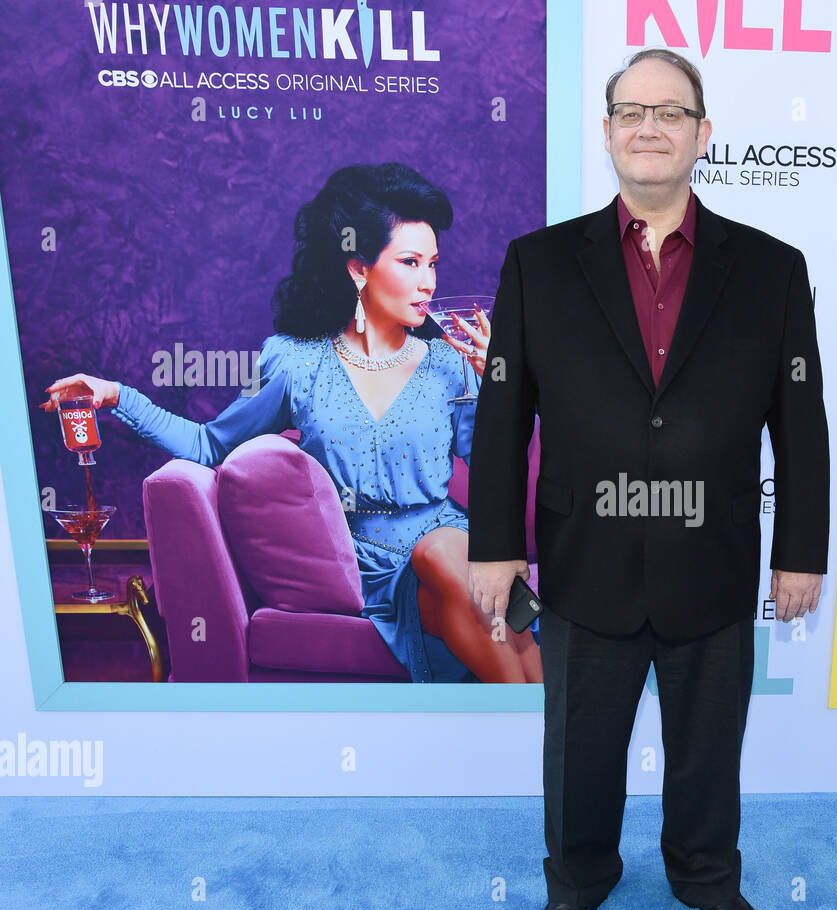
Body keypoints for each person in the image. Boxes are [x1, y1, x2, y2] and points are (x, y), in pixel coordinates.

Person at [467, 49, 830, 910]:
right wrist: (495, 544)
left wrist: (802, 551)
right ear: (607, 134)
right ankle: (574, 883)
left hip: (713, 559)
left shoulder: (772, 269)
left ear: (704, 135)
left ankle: (708, 876)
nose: (650, 128)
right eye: (633, 112)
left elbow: (802, 421)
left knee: (710, 744)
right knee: (578, 747)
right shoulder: (539, 264)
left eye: (671, 113)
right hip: (585, 556)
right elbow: (503, 415)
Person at [41, 163, 542, 684]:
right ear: (358, 269)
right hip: (372, 569)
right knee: (479, 608)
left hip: (450, 549)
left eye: (434, 264)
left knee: (452, 565)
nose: (429, 283)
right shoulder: (293, 362)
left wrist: (497, 385)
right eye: (411, 262)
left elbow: (495, 468)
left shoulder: (450, 361)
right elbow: (210, 445)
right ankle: (541, 744)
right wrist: (117, 396)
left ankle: (538, 744)